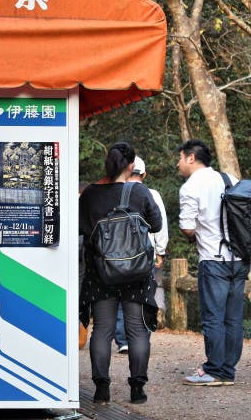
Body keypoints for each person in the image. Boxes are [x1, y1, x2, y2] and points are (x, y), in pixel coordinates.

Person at [79, 142, 163, 404]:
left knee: (102, 329)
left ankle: (101, 388)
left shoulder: (91, 193)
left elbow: (82, 229)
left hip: (101, 270)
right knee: (137, 330)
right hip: (135, 271)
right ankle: (137, 389)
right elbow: (156, 224)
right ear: (130, 166)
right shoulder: (139, 191)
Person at [177, 139, 250, 386]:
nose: (178, 164)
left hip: (213, 259)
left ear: (190, 157)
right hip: (239, 258)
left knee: (213, 318)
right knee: (233, 317)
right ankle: (227, 370)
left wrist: (201, 233)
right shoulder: (228, 178)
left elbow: (187, 227)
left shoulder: (190, 187)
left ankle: (215, 370)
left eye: (180, 158)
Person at [114, 156, 169, 353]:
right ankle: (141, 337)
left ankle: (123, 339)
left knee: (120, 293)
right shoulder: (151, 193)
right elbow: (160, 225)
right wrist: (161, 250)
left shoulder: (114, 191)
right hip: (145, 253)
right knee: (145, 293)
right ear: (144, 174)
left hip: (117, 254)